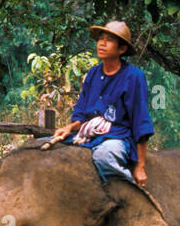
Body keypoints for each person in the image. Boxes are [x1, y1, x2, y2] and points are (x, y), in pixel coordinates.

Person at [49, 20, 154, 186]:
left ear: (122, 49)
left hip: (117, 136)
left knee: (104, 157)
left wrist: (140, 166)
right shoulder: (93, 73)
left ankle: (130, 193)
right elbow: (81, 112)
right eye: (100, 39)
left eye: (109, 40)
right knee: (47, 149)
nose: (102, 44)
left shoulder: (133, 76)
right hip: (88, 134)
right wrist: (69, 127)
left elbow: (140, 121)